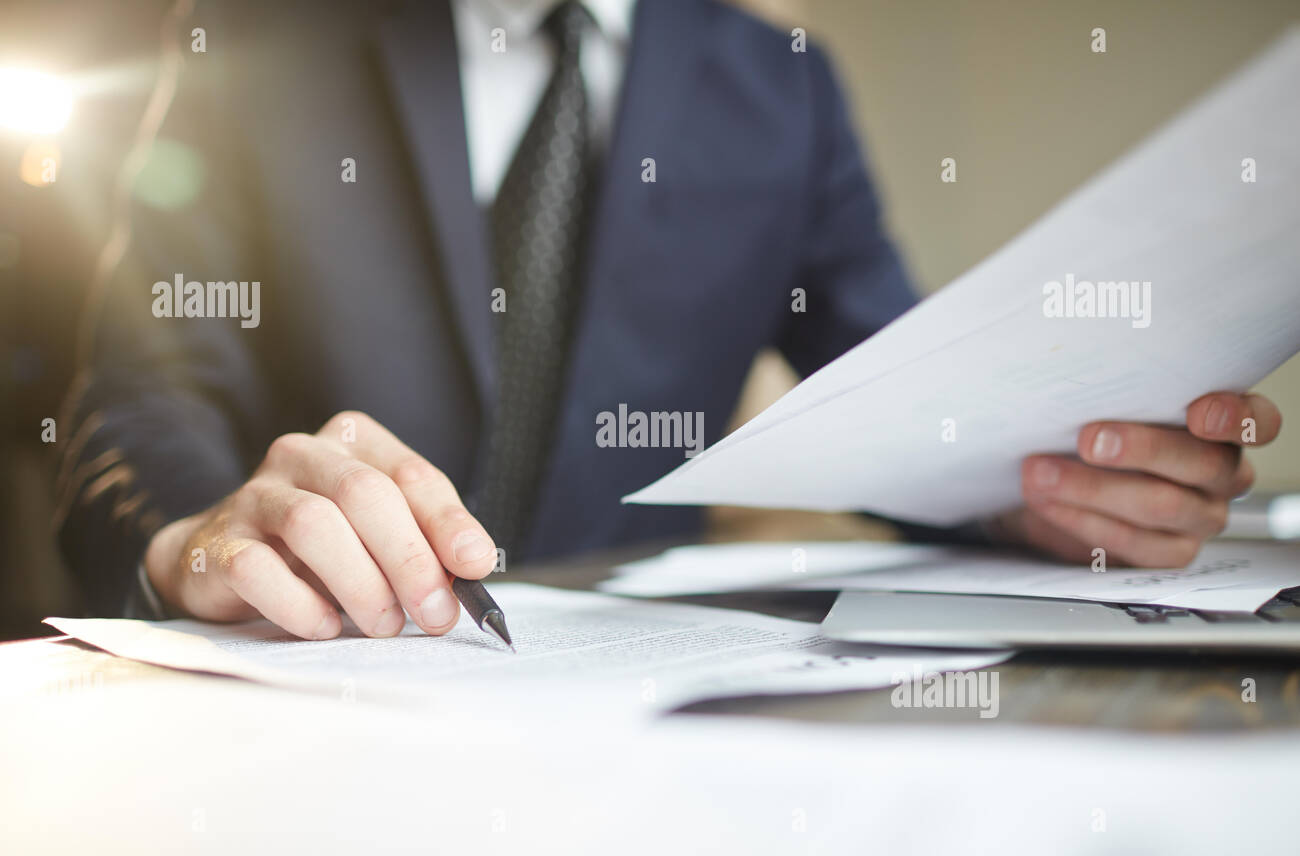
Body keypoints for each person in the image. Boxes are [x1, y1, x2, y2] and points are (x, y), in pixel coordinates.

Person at [56, 0, 1282, 639]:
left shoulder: (783, 81)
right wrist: (190, 547)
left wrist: (1042, 482)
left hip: (637, 696)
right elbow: (137, 390)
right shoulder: (256, 40)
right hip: (303, 682)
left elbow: (899, 391)